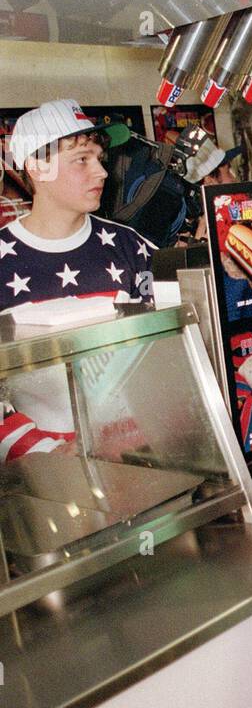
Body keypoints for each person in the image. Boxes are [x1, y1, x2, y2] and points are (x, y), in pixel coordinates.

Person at [0, 100, 155, 458]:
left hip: (141, 451)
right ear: (37, 167)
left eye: (99, 159)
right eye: (81, 159)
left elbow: (159, 355)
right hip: (42, 476)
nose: (101, 172)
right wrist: (46, 454)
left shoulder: (131, 247)